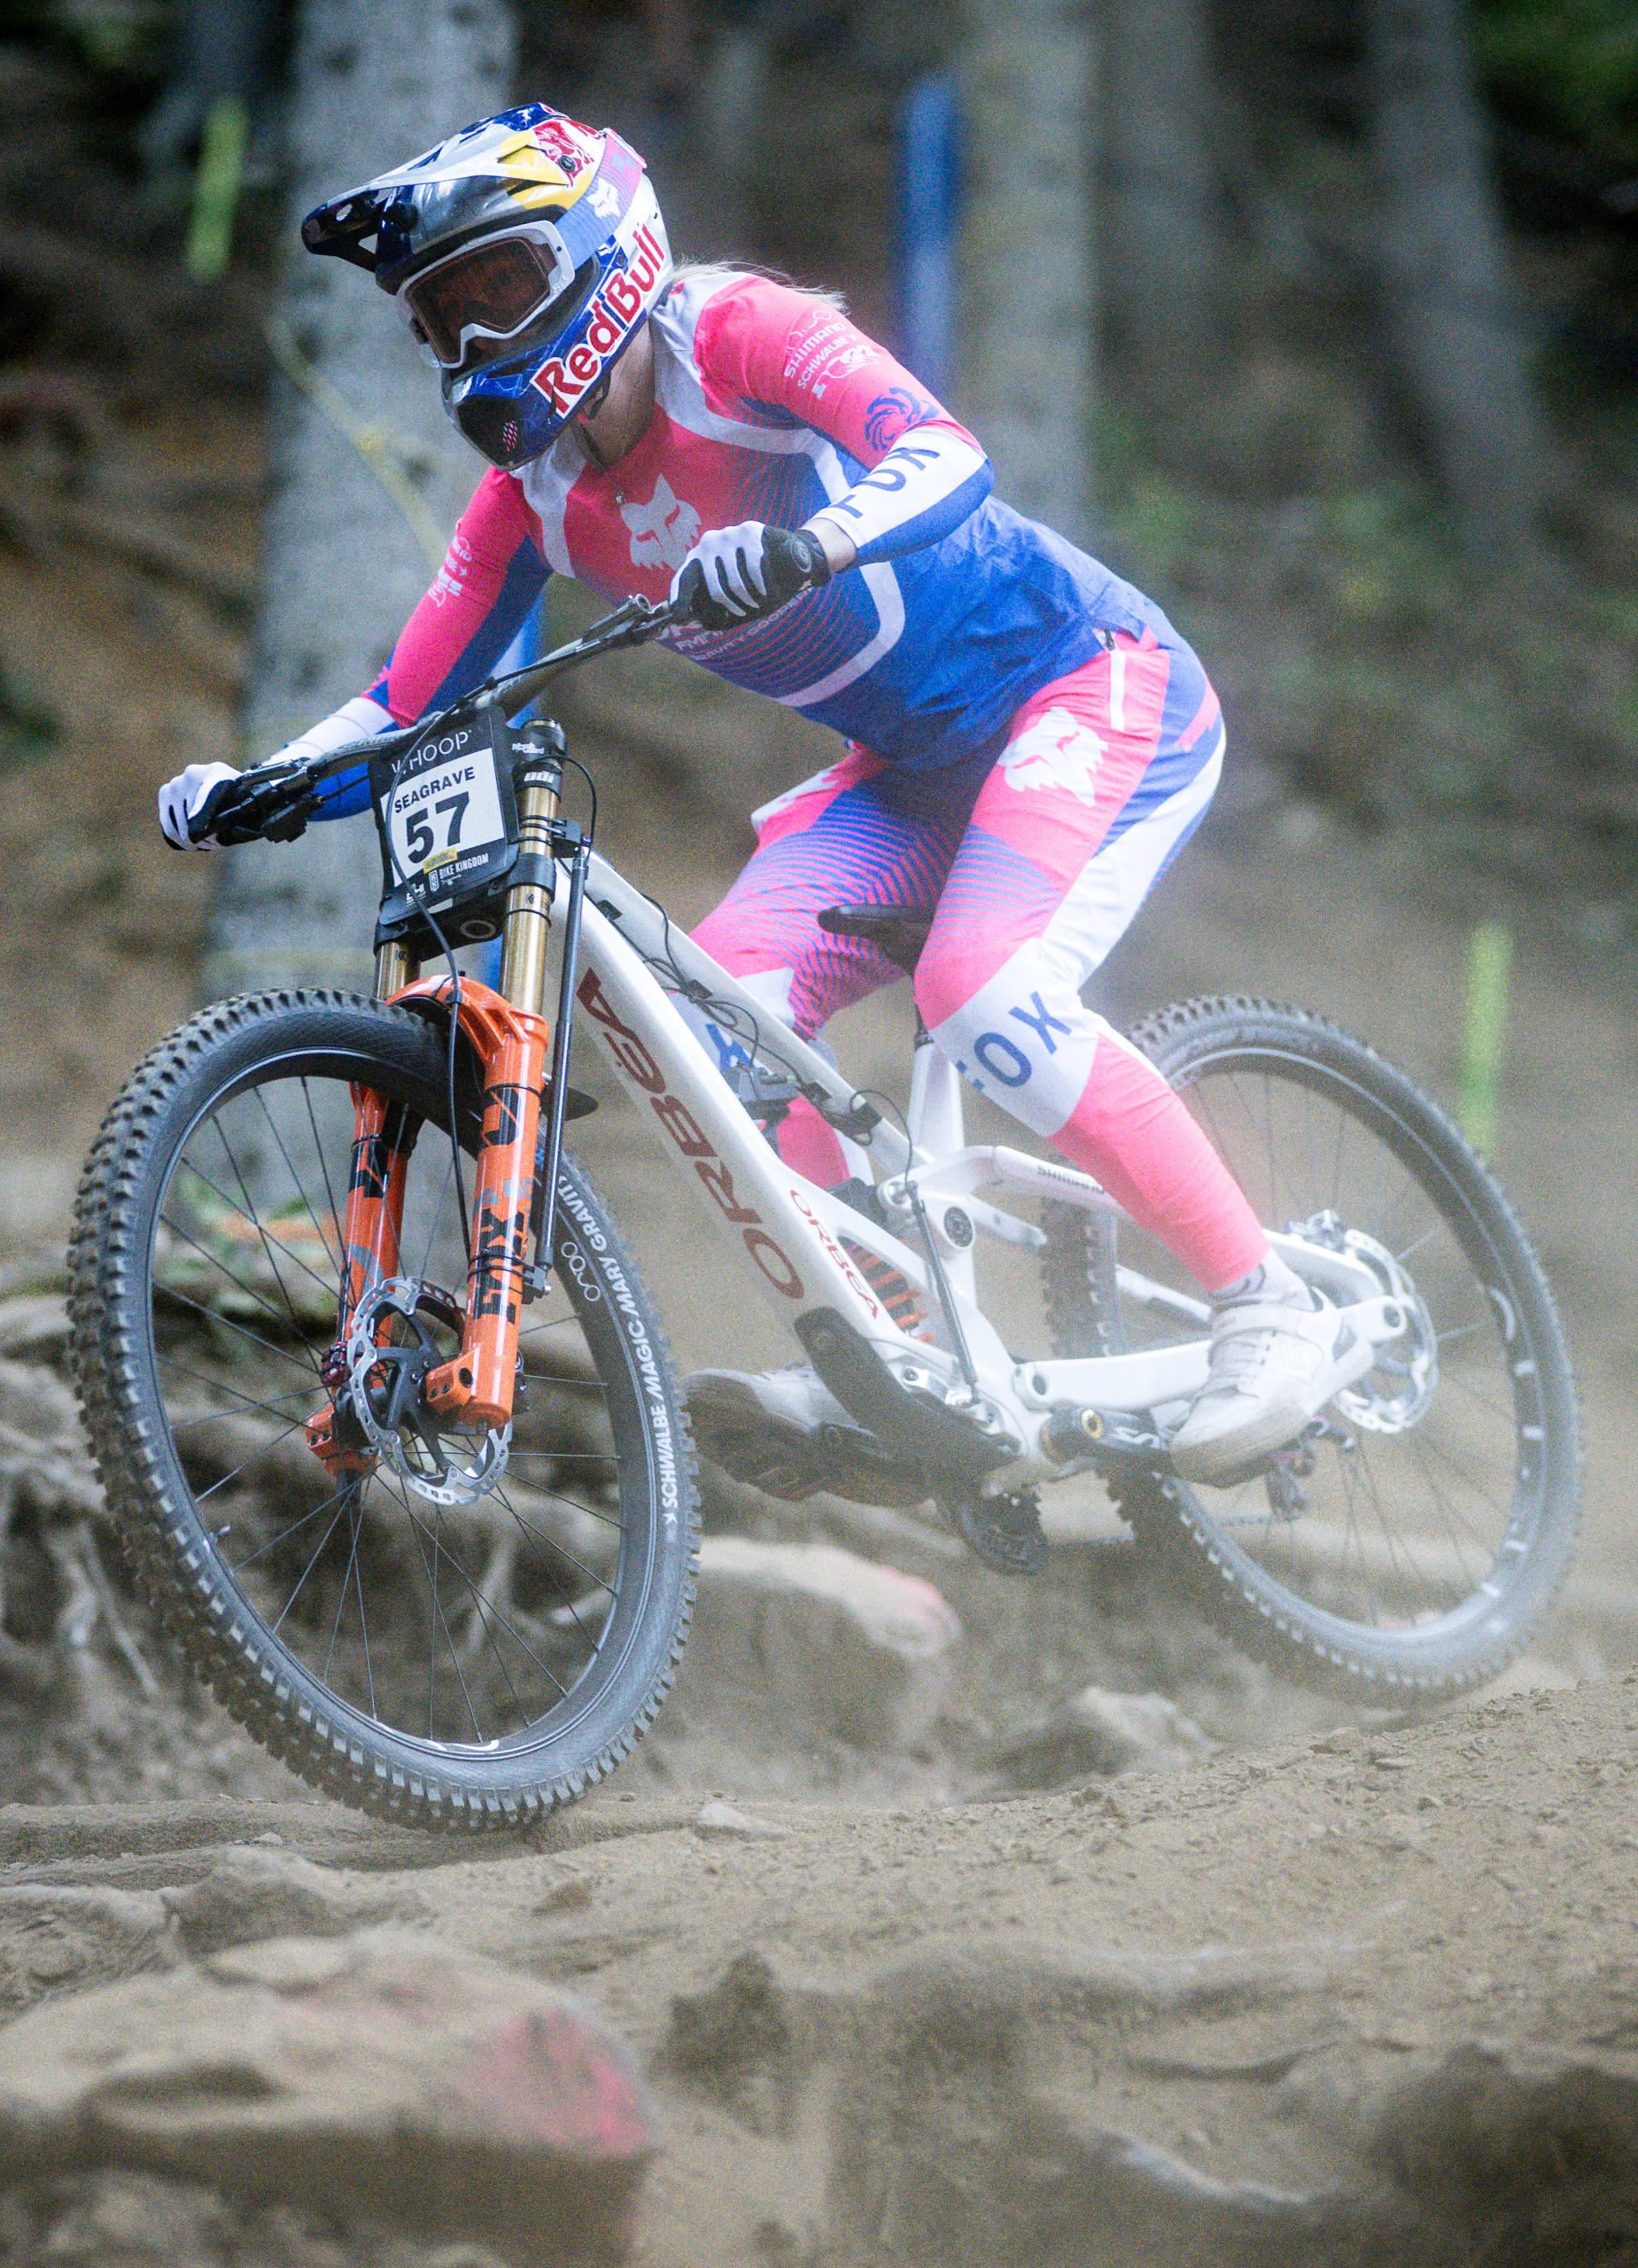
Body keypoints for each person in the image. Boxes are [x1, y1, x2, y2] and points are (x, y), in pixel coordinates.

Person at [154, 104, 1367, 1497]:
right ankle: (902, 1357)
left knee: (980, 989)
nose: (477, 345)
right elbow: (406, 701)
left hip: (1088, 686)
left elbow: (943, 453)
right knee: (721, 1013)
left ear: (603, 254)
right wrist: (263, 782)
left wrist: (812, 538)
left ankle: (1265, 1299)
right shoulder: (529, 505)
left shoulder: (732, 335)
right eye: (441, 321)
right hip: (910, 773)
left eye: (497, 290)